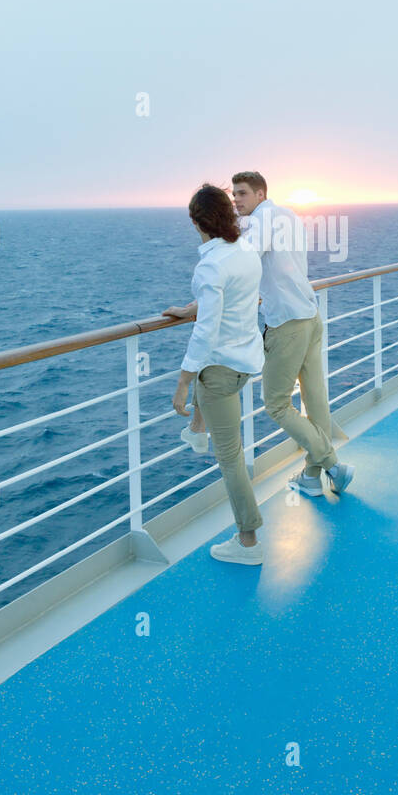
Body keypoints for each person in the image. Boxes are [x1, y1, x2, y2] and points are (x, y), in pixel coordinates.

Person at [231, 170, 354, 498]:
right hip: (310, 316)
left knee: (275, 403)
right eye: (233, 194)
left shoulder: (259, 222)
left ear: (259, 194)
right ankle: (312, 477)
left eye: (241, 194)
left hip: (286, 324)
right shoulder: (288, 215)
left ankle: (332, 464)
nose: (235, 200)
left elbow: (243, 263)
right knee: (315, 399)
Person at [164, 184, 265, 565]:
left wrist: (182, 382)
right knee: (216, 422)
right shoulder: (244, 252)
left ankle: (249, 542)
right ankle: (196, 433)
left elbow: (206, 331)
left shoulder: (210, 264)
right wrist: (191, 308)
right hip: (244, 364)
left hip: (219, 371)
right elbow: (225, 300)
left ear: (196, 222)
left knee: (231, 460)